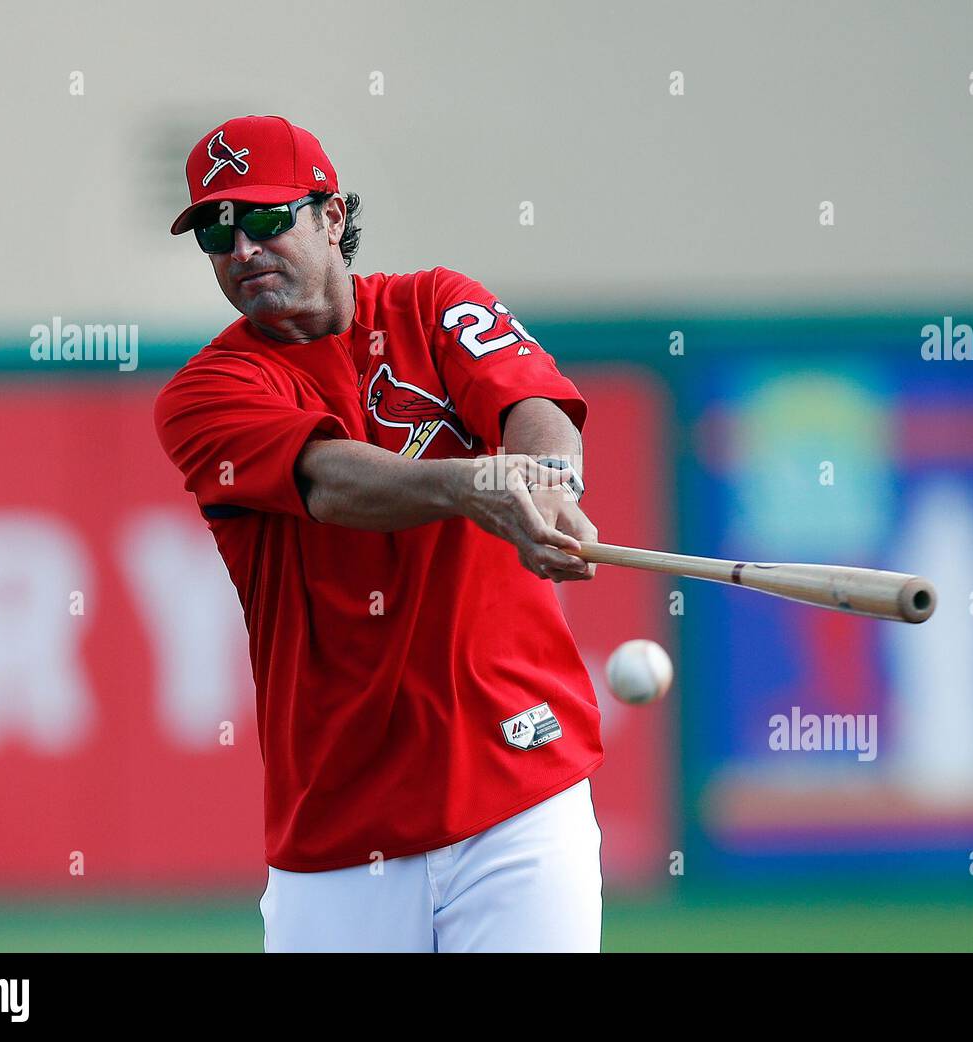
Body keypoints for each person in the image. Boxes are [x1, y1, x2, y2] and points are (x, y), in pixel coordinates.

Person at [154, 115, 605, 952]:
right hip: (339, 824)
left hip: (518, 784)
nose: (241, 248)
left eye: (263, 219)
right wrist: (477, 486)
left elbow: (533, 408)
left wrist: (546, 483)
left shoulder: (436, 303)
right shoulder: (206, 392)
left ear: (331, 216)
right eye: (216, 230)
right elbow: (333, 483)